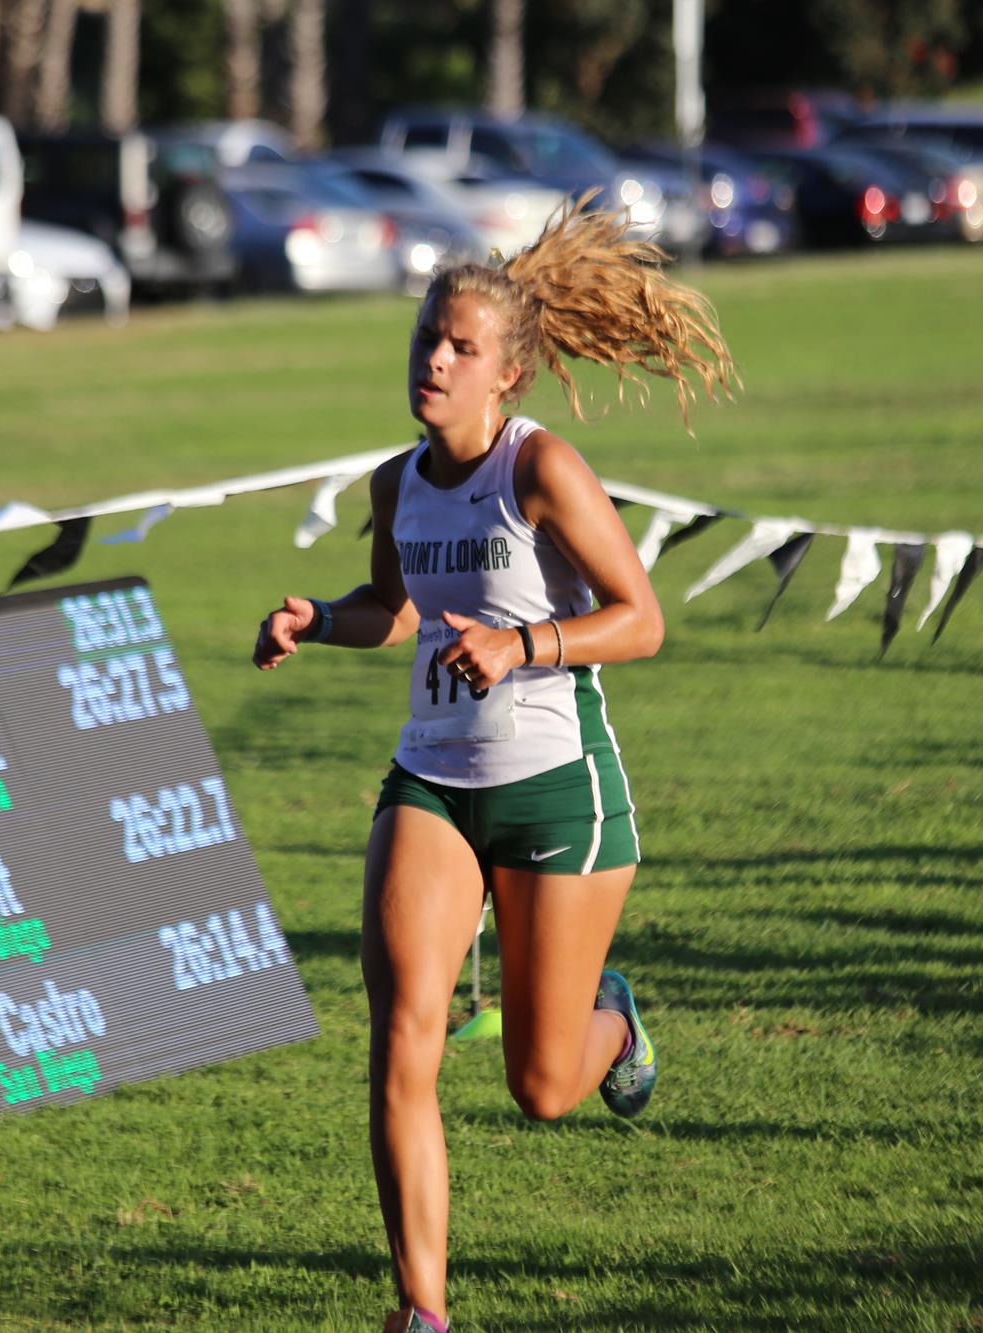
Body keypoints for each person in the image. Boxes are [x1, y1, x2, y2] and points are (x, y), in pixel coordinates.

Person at [252, 194, 733, 1333]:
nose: (435, 359)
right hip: (429, 780)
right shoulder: (397, 483)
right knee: (402, 1036)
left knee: (541, 1086)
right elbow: (394, 606)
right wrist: (317, 619)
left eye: (460, 347)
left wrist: (521, 643)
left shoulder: (541, 470)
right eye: (426, 338)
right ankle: (422, 1313)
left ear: (504, 375)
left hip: (557, 788)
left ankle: (613, 1022)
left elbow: (641, 619)